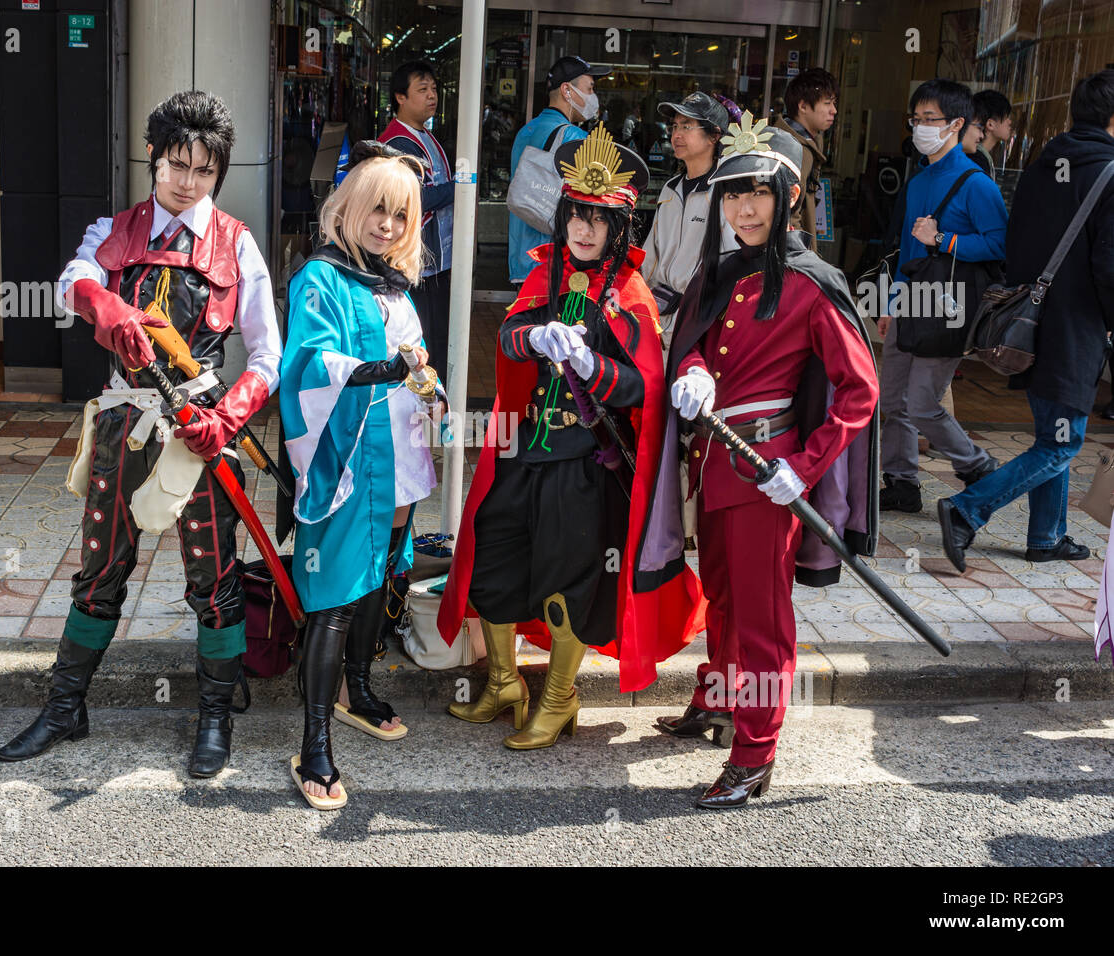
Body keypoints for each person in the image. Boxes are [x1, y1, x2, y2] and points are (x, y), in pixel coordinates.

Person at [0, 91, 282, 780]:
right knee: (99, 572)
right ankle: (66, 706)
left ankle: (213, 717)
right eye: (176, 165)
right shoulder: (113, 230)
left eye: (204, 171)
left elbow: (269, 355)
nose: (187, 182)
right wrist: (107, 306)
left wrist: (228, 418)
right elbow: (75, 280)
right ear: (153, 158)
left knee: (211, 582)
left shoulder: (238, 242)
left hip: (200, 431)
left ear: (218, 174)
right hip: (125, 425)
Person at [440, 124, 706, 750]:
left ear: (618, 230)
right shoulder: (544, 277)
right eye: (575, 217)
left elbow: (643, 386)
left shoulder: (631, 292)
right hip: (522, 450)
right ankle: (504, 681)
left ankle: (559, 698)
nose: (584, 231)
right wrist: (530, 337)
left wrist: (597, 370)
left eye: (598, 220)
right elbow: (507, 339)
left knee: (567, 583)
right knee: (493, 563)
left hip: (584, 464)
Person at [660, 120, 879, 807]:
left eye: (757, 195)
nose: (744, 210)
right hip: (717, 464)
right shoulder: (719, 272)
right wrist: (691, 369)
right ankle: (720, 701)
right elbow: (693, 339)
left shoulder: (814, 284)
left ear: (786, 197)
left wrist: (807, 466)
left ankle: (754, 755)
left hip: (768, 472)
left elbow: (860, 390)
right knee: (721, 598)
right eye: (732, 197)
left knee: (761, 620)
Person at [279, 143, 439, 809]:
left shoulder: (392, 281)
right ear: (345, 208)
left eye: (401, 216)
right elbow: (308, 366)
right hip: (345, 459)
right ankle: (314, 744)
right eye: (377, 209)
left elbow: (409, 358)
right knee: (339, 594)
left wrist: (423, 379)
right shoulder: (319, 277)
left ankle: (357, 690)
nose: (388, 226)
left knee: (380, 574)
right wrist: (386, 371)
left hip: (396, 456)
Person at [938, 70, 1114, 571]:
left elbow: (1015, 240)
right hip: (1073, 329)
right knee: (1064, 442)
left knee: (1050, 434)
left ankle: (1046, 536)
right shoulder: (1110, 174)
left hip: (1028, 323)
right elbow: (1110, 267)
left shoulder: (1042, 165)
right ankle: (967, 510)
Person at [877, 79, 1005, 514]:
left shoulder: (977, 184)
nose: (920, 128)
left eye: (929, 120)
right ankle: (901, 481)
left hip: (947, 307)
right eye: (916, 119)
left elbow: (1000, 246)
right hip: (911, 301)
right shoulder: (918, 181)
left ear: (956, 124)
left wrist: (945, 240)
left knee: (924, 403)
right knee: (891, 399)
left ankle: (976, 464)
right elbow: (908, 252)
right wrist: (892, 303)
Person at [640, 92, 736, 351]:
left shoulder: (726, 192)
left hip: (699, 320)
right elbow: (651, 255)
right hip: (660, 315)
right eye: (675, 126)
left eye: (687, 126)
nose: (676, 135)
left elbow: (731, 261)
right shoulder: (670, 188)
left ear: (714, 136)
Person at [379, 61, 454, 383]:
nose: (431, 96)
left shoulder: (422, 135)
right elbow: (414, 199)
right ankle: (422, 392)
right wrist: (460, 187)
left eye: (434, 89)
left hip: (434, 259)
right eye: (422, 90)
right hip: (416, 261)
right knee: (421, 335)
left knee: (435, 332)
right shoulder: (399, 142)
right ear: (400, 97)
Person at [507, 55, 610, 287]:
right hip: (554, 267)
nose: (594, 97)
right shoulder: (576, 138)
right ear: (567, 90)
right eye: (590, 88)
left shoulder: (525, 131)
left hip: (521, 262)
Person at [773, 67, 839, 249]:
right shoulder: (794, 148)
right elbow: (790, 215)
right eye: (827, 103)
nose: (833, 110)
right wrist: (804, 258)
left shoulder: (804, 141)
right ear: (803, 106)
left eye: (834, 103)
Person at [965, 89, 1013, 181]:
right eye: (1006, 117)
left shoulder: (979, 156)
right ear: (990, 124)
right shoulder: (976, 160)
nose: (1010, 122)